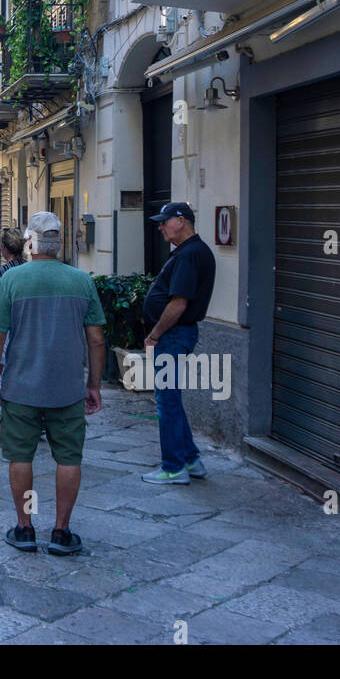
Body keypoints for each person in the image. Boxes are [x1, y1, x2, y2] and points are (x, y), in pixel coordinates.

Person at [0, 212, 105, 555]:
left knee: (21, 457)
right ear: (59, 242)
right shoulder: (82, 281)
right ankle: (61, 532)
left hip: (20, 385)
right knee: (68, 458)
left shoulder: (13, 280)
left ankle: (26, 528)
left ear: (30, 242)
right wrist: (93, 384)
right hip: (67, 388)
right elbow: (96, 340)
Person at [140, 202, 217, 485]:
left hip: (173, 336)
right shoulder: (192, 252)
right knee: (170, 399)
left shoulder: (189, 255)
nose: (160, 226)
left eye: (164, 221)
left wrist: (155, 334)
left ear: (181, 221)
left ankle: (173, 467)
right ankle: (190, 459)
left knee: (166, 402)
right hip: (177, 335)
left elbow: (178, 303)